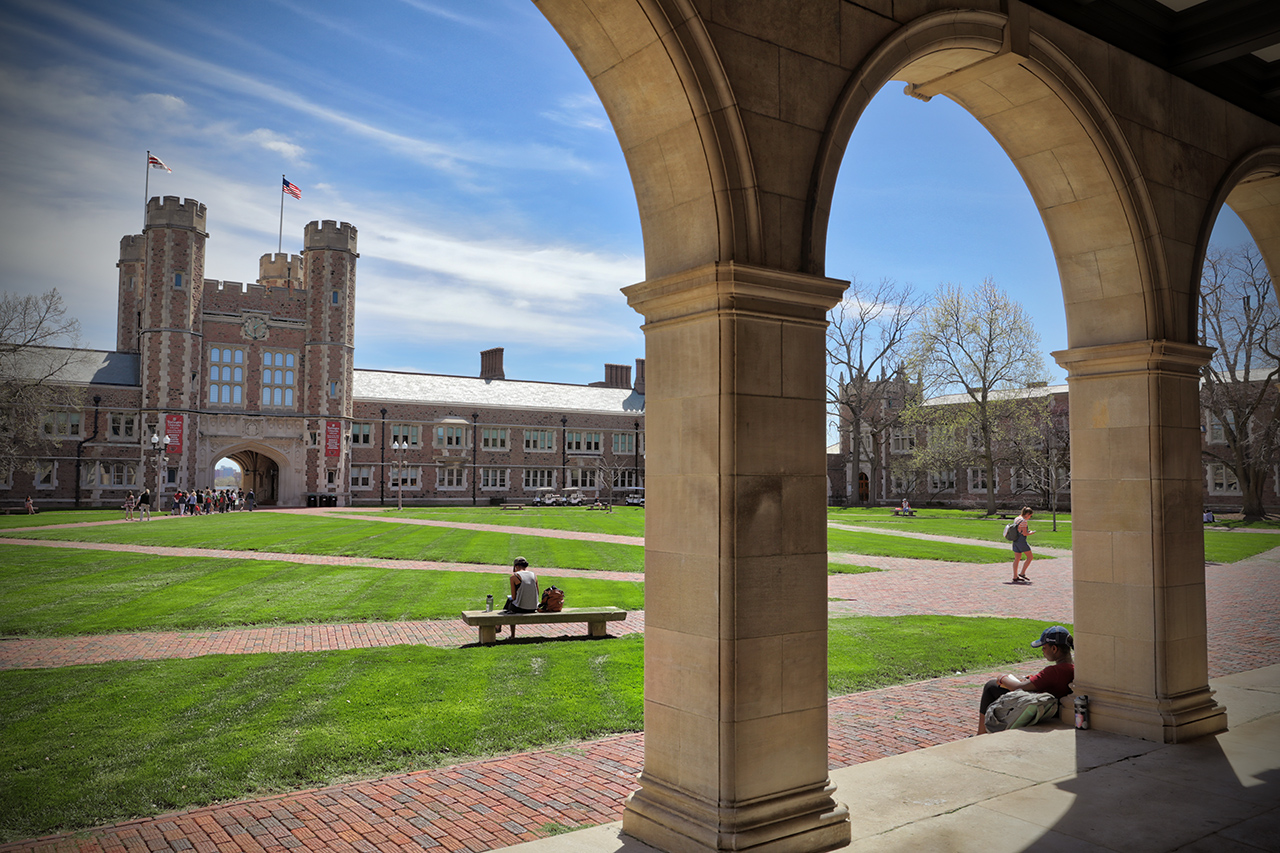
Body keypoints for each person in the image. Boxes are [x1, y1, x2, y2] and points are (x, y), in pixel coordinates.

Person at [977, 625, 1074, 735]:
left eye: (1044, 648)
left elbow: (1016, 687)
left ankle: (981, 733)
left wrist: (1003, 677)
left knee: (990, 686)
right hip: (1052, 706)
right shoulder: (1073, 667)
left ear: (1054, 649)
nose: (1042, 651)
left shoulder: (1054, 671)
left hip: (1039, 706)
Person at [500, 556, 540, 638]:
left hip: (521, 608)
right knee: (511, 604)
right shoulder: (533, 575)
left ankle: (510, 633)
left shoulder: (514, 577)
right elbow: (537, 593)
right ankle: (499, 626)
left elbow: (514, 597)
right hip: (533, 607)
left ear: (516, 566)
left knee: (509, 603)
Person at [1010, 506, 1035, 583]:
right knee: (1030, 557)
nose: (1030, 517)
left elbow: (1019, 529)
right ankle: (1022, 573)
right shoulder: (1024, 521)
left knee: (1017, 558)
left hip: (1015, 540)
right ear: (1027, 514)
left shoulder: (1017, 518)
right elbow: (1024, 533)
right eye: (1030, 516)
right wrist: (1030, 533)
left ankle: (1015, 576)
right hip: (1021, 541)